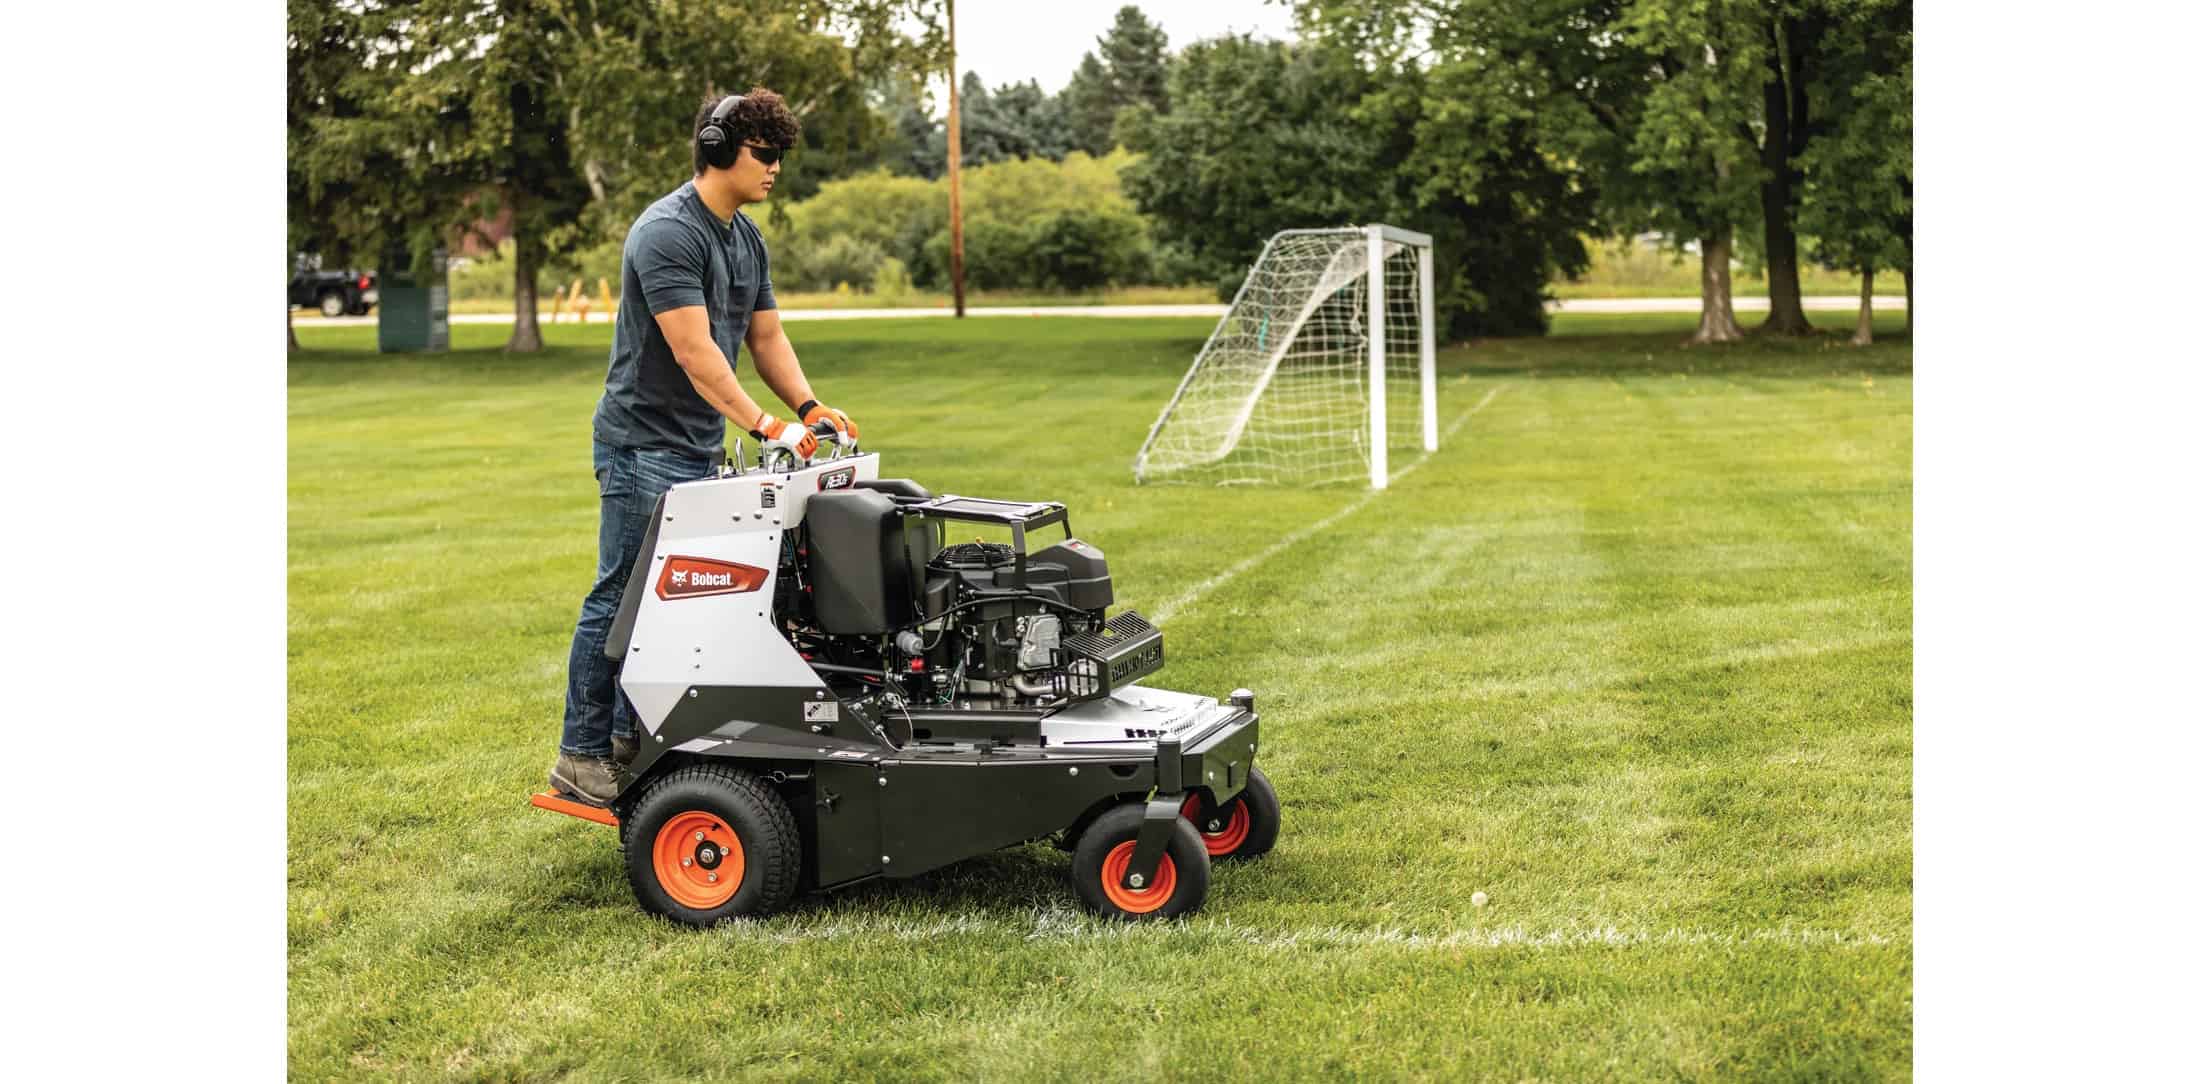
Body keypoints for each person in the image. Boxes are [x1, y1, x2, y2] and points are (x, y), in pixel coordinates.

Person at [551, 89, 859, 805]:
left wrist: (809, 408)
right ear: (720, 150)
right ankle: (581, 753)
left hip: (693, 446)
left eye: (781, 154)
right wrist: (767, 426)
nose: (777, 167)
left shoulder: (745, 237)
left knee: (673, 607)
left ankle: (633, 742)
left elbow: (765, 337)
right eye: (765, 153)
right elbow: (695, 353)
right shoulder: (667, 233)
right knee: (620, 600)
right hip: (641, 445)